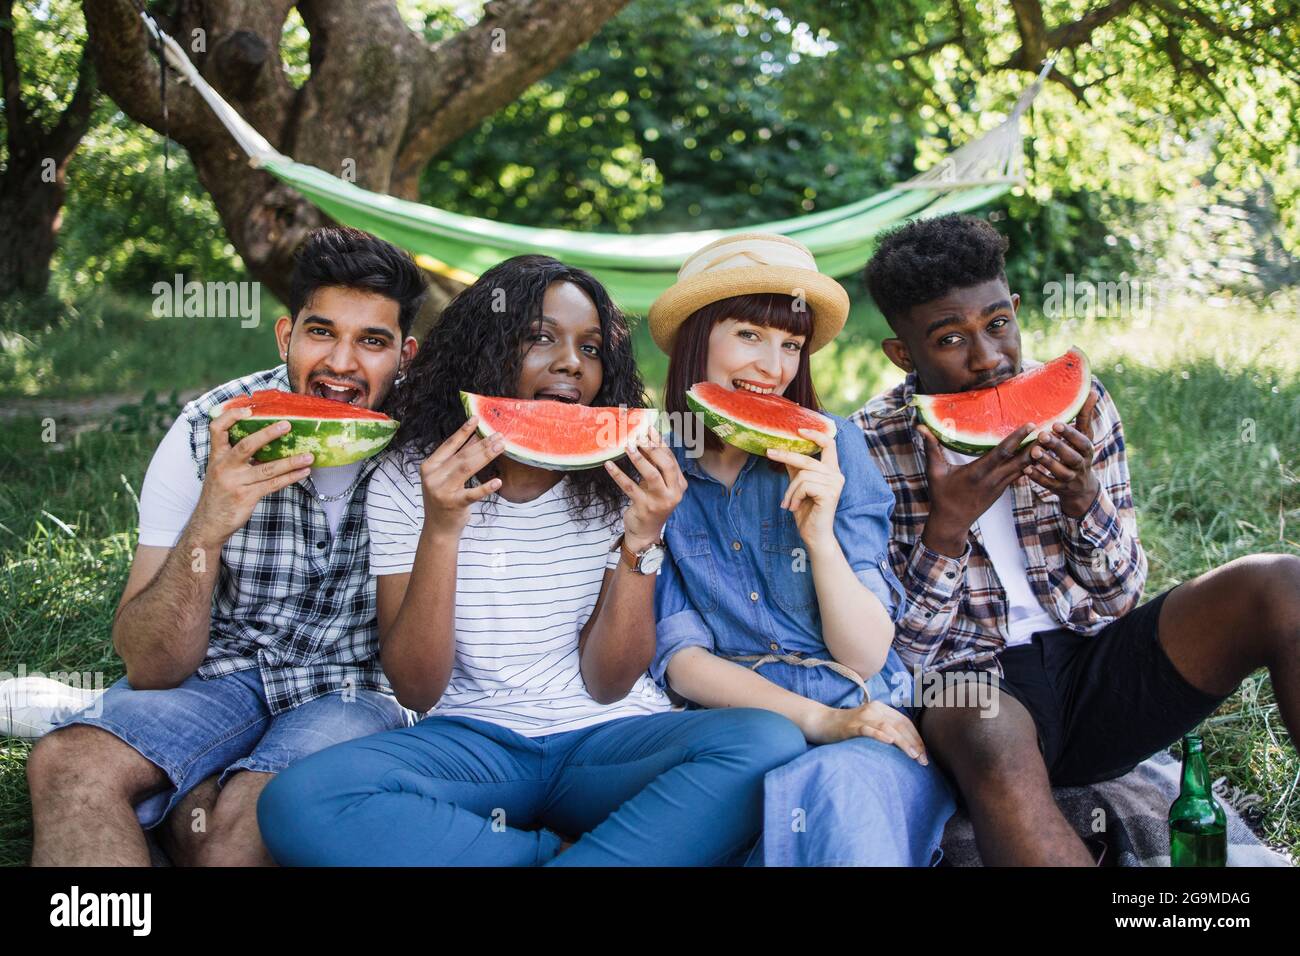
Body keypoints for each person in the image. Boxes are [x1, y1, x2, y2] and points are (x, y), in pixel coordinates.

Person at [255, 254, 807, 866]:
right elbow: (417, 685)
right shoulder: (410, 475)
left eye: (591, 348)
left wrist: (641, 539)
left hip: (607, 741)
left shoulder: (618, 477)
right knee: (300, 801)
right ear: (487, 348)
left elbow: (610, 681)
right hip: (472, 744)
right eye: (541, 338)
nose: (571, 361)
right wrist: (441, 528)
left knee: (766, 741)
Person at [851, 213, 1300, 866]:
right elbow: (895, 661)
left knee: (1281, 582)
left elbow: (1121, 600)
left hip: (1096, 671)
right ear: (902, 352)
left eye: (998, 324)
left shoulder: (1079, 407)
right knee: (994, 742)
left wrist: (1082, 498)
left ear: (1016, 309)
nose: (988, 358)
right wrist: (946, 530)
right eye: (950, 339)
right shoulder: (866, 447)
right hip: (970, 690)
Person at [26, 227, 425, 866]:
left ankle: (182, 817)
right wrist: (208, 527)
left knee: (236, 832)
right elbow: (150, 665)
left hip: (352, 691)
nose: (342, 364)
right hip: (217, 676)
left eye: (371, 341)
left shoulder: (429, 448)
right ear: (285, 336)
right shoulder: (206, 428)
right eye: (321, 332)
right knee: (68, 763)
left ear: (405, 355)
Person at [647, 233, 956, 866]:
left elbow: (867, 652)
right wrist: (815, 722)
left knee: (834, 788)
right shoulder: (659, 468)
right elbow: (681, 662)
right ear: (694, 340)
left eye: (791, 344)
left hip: (864, 716)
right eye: (749, 336)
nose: (774, 366)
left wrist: (819, 537)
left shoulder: (835, 446)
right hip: (738, 724)